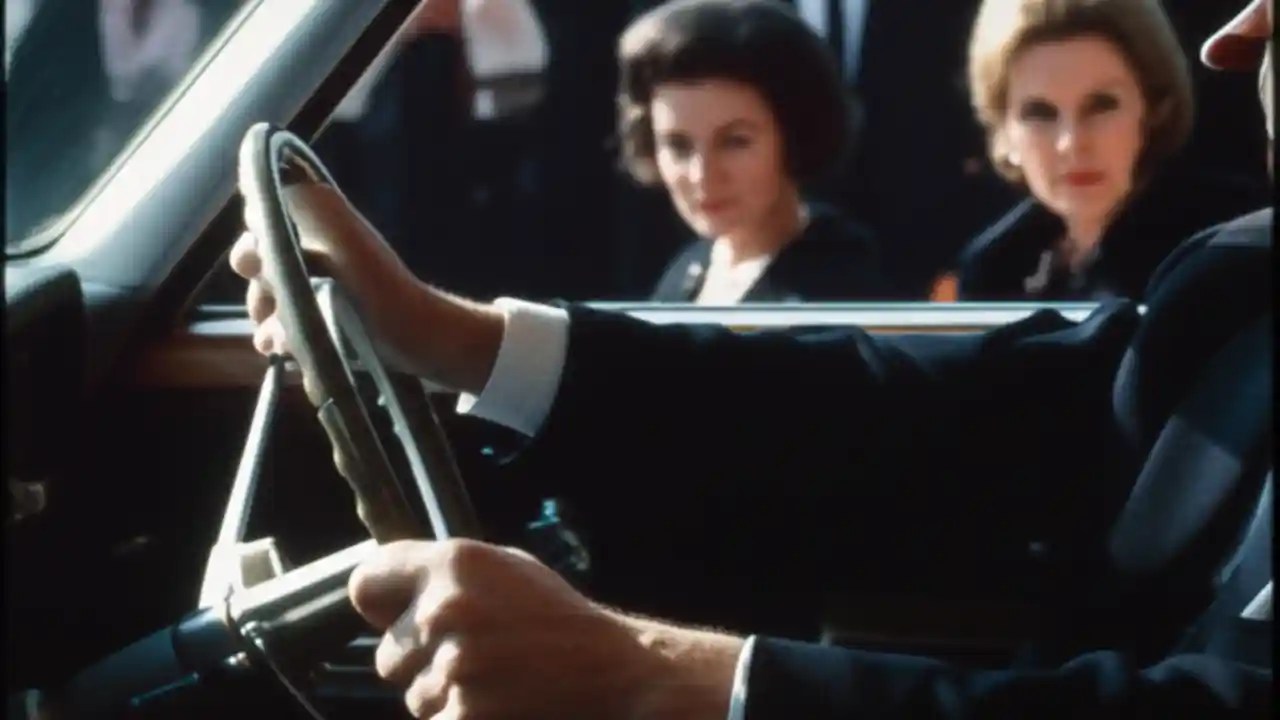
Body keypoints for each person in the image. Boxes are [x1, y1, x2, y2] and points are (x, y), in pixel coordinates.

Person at [229, 0, 1273, 716]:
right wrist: (453, 337)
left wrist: (659, 680)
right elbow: (954, 408)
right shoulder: (1233, 276)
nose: (1243, 30)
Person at [947, 0, 1265, 301]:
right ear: (1003, 132)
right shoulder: (993, 270)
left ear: (1154, 108)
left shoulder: (1228, 245)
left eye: (1101, 106)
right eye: (1039, 113)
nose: (1071, 143)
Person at [619, 0, 883, 303]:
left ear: (795, 134)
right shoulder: (688, 270)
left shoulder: (835, 290)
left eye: (734, 142)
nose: (702, 174)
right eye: (678, 146)